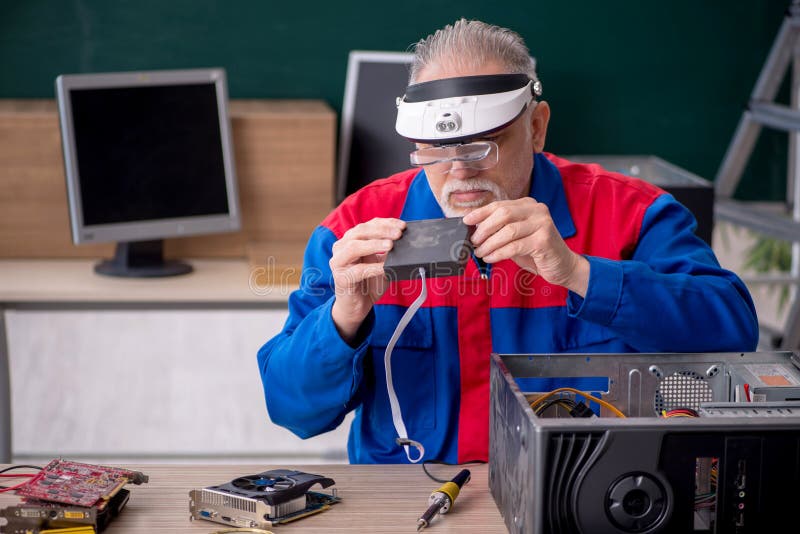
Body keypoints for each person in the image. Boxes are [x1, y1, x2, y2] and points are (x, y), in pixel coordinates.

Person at [257, 19, 758, 464]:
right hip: (412, 503)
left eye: (485, 145)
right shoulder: (355, 229)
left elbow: (732, 330)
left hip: (579, 491)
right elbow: (292, 410)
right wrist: (343, 318)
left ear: (536, 127)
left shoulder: (631, 214)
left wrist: (580, 275)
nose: (459, 170)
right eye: (435, 151)